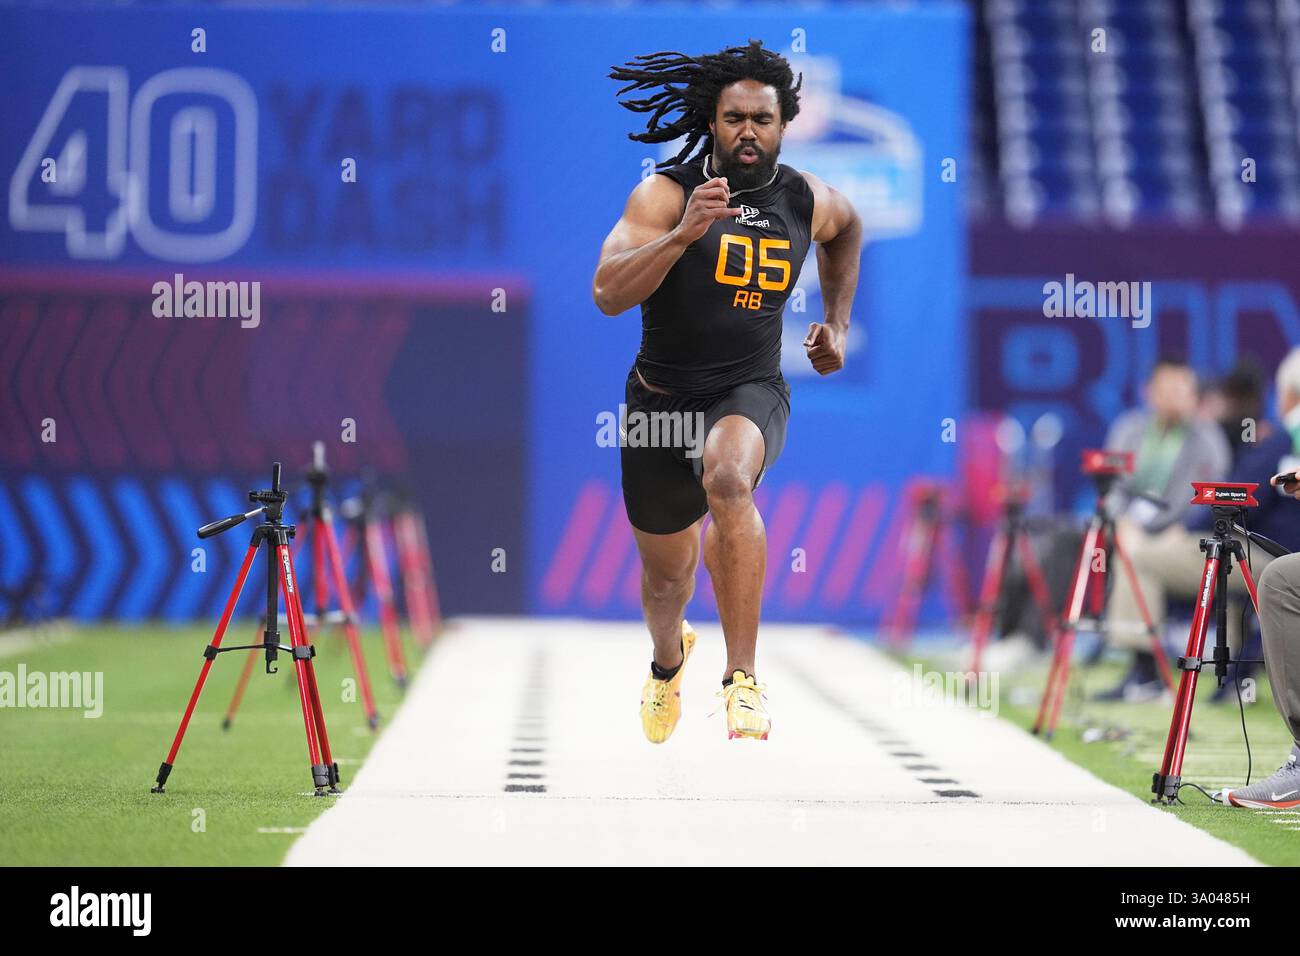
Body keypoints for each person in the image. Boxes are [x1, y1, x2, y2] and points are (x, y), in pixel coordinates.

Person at [592, 40, 862, 742]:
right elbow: (606, 294)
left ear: (783, 124)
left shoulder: (804, 198)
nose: (749, 131)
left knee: (729, 479)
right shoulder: (664, 194)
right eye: (734, 117)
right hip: (659, 405)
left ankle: (742, 680)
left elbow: (848, 228)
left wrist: (835, 322)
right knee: (666, 580)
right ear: (712, 122)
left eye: (763, 119)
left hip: (748, 389)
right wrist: (682, 235)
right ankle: (666, 660)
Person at [1098, 358, 1231, 700]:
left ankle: (1144, 669)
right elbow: (1110, 485)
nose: (1176, 398)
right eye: (1168, 390)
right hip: (1133, 529)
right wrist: (1122, 520)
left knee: (1142, 559)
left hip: (1183, 535)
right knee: (1130, 551)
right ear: (1150, 393)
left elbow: (1215, 492)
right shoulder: (1128, 429)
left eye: (1183, 390)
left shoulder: (1208, 438)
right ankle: (1142, 665)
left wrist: (1185, 527)